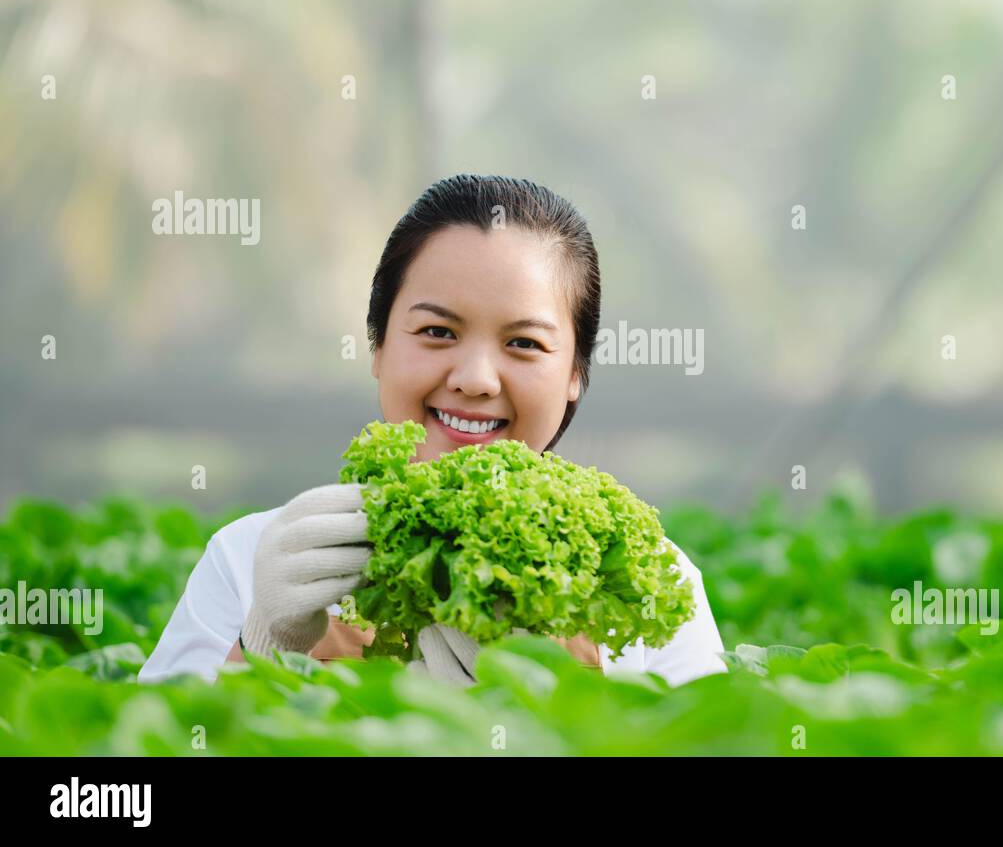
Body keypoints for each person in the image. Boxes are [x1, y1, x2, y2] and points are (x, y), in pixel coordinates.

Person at [138, 174, 729, 689]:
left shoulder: (644, 578)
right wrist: (264, 648)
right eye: (437, 332)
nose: (474, 380)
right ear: (378, 346)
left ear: (575, 372)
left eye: (524, 343)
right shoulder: (255, 559)